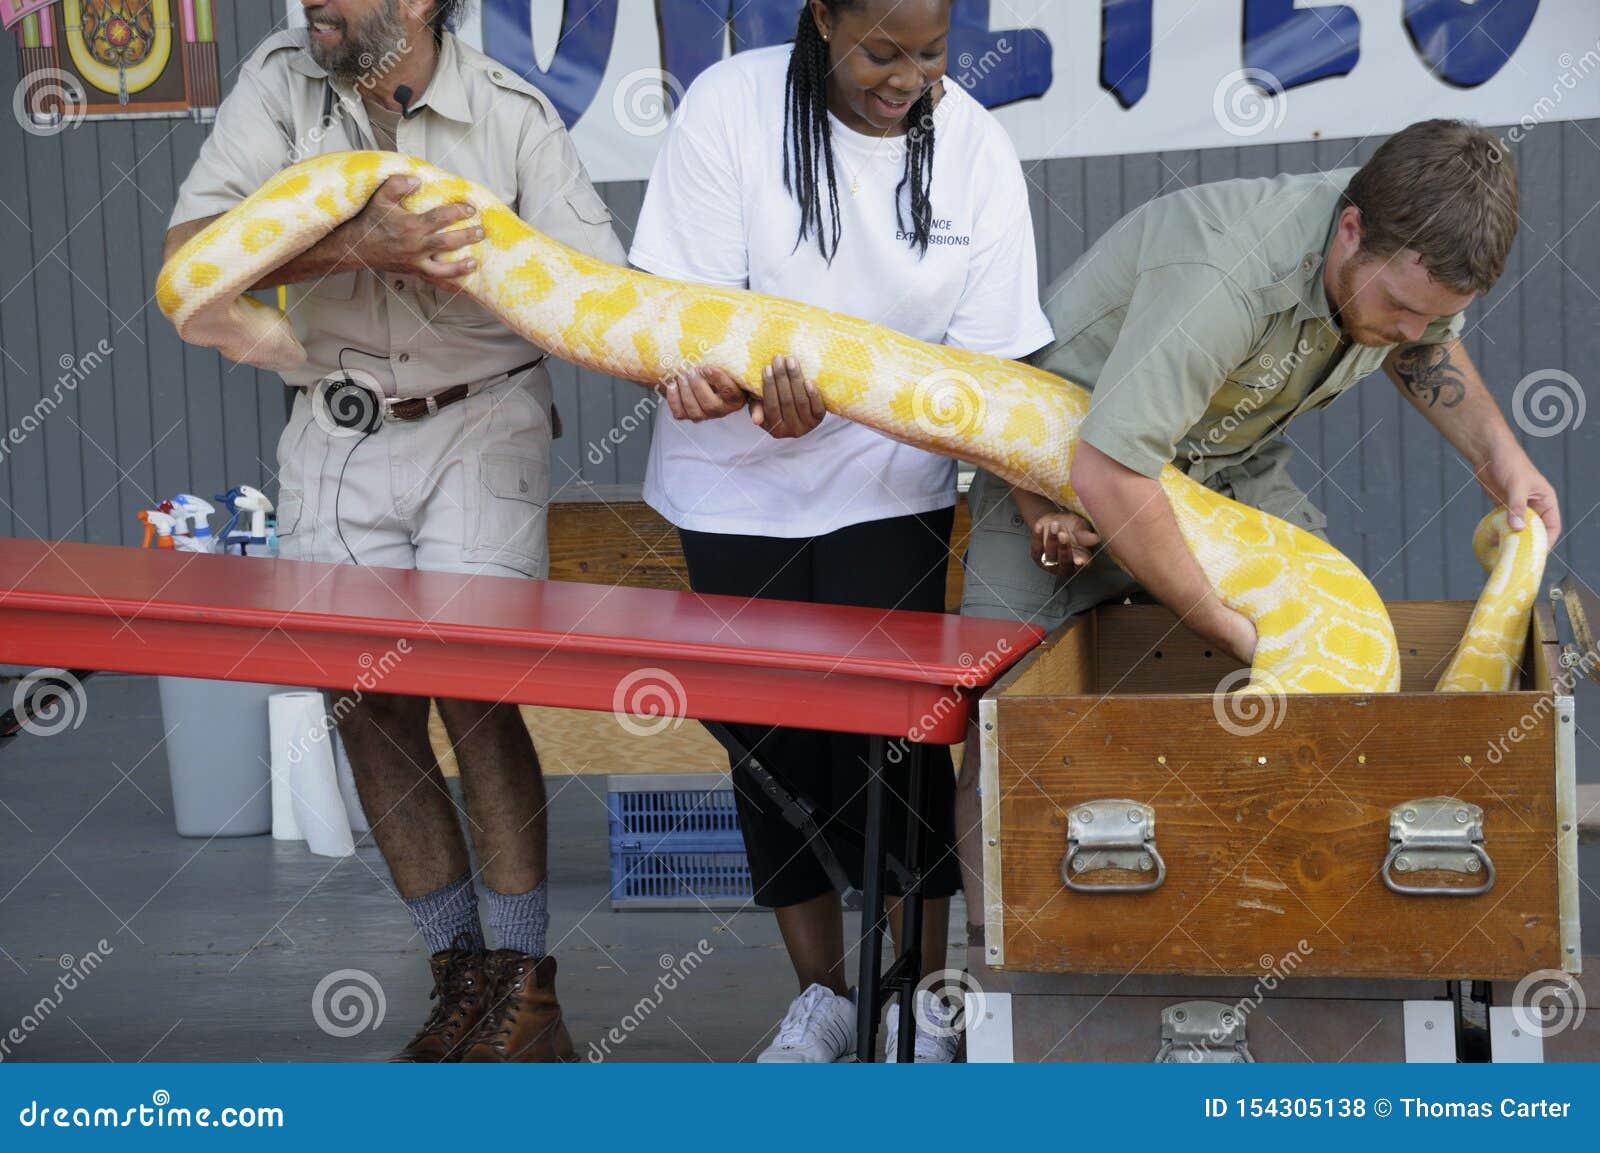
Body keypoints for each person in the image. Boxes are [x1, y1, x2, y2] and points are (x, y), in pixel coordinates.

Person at [954, 119, 1563, 961]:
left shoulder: (1402, 250)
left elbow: (1428, 348)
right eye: (1396, 309)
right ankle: (999, 976)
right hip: (1065, 464)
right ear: (1350, 230)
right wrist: (1231, 625)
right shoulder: (1224, 275)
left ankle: (1290, 942)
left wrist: (1505, 461)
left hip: (1222, 459)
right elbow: (1111, 472)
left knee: (1344, 682)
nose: (1408, 331)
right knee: (1004, 728)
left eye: (1433, 318)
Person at [161, 0, 626, 1062]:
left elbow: (602, 290)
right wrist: (357, 243)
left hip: (483, 414)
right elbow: (191, 254)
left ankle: (524, 988)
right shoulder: (279, 84)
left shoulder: (511, 116)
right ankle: (457, 976)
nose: (314, 5)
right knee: (362, 702)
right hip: (338, 420)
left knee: (475, 691)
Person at [630, 0, 1053, 1062]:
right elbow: (672, 309)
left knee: (898, 752)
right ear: (822, 20)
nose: (906, 78)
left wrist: (1048, 494)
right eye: (879, 52)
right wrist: (696, 380)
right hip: (731, 490)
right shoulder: (729, 111)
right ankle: (826, 999)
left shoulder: (972, 149)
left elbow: (994, 360)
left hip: (890, 485)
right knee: (773, 755)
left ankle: (916, 996)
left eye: (929, 54)